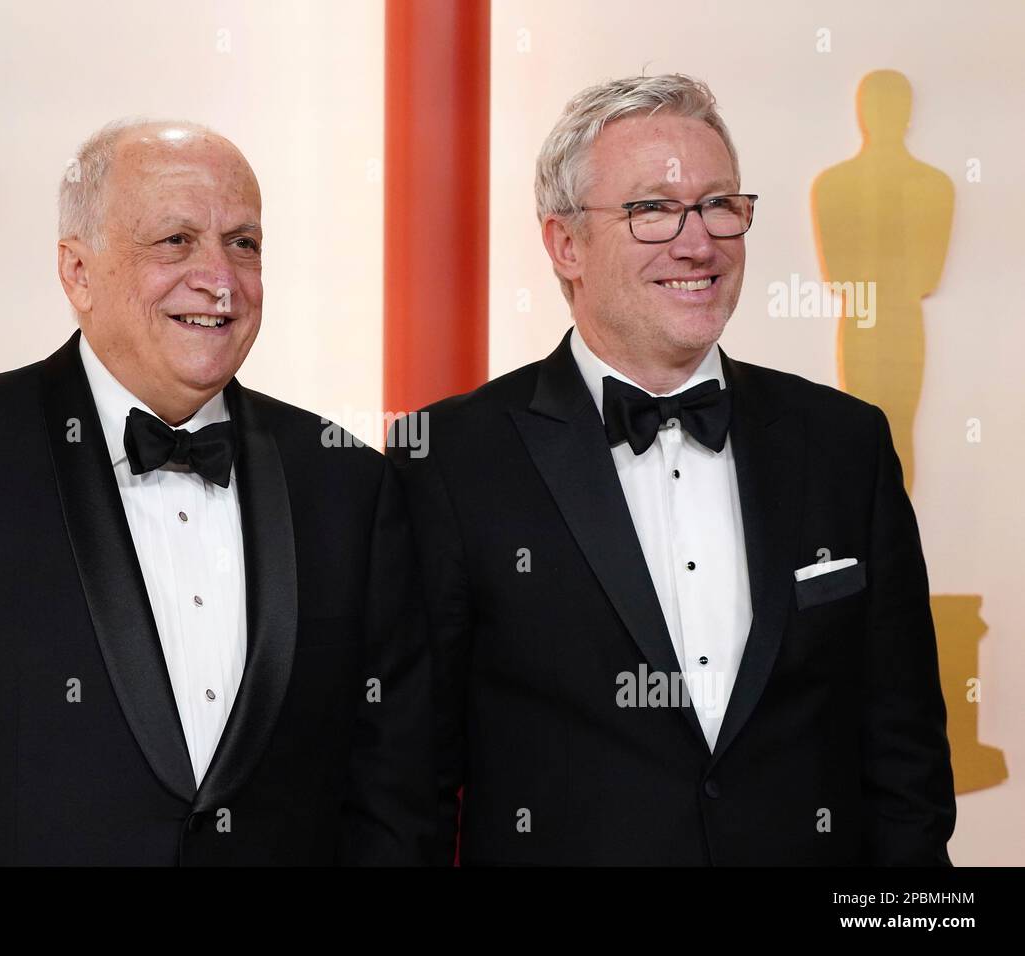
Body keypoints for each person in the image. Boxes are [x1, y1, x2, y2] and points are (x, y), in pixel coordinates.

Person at [0, 119, 435, 865]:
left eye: (244, 243)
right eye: (174, 241)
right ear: (77, 272)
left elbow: (395, 798)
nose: (219, 278)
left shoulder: (347, 481)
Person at [389, 74, 955, 865]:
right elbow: (405, 780)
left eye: (721, 204)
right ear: (565, 244)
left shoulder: (844, 443)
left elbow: (906, 765)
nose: (699, 243)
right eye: (652, 209)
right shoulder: (449, 457)